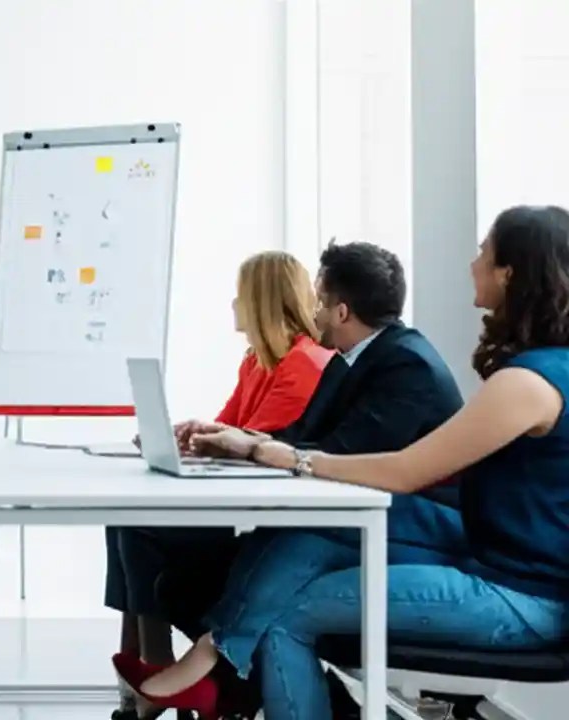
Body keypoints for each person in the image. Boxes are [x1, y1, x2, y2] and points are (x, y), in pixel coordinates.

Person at [117, 204, 569, 719]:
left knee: (286, 613)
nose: (472, 262)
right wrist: (259, 447)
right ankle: (212, 662)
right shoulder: (536, 373)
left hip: (520, 596)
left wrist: (282, 456)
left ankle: (211, 659)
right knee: (307, 538)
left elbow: (406, 471)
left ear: (510, 272)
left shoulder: (526, 383)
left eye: (484, 253)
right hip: (489, 560)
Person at [138, 241, 466, 719]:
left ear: (341, 309)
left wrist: (256, 449)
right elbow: (303, 439)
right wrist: (236, 439)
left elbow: (346, 456)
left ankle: (214, 653)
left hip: (422, 529)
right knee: (194, 576)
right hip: (370, 519)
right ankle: (229, 680)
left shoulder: (406, 363)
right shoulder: (350, 359)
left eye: (317, 300)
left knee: (298, 540)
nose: (310, 311)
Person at [103, 250, 333, 719]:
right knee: (125, 520)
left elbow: (251, 445)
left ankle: (156, 672)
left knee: (139, 528)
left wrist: (206, 441)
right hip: (242, 504)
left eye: (240, 294)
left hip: (266, 521)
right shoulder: (257, 361)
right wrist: (187, 434)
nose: (232, 304)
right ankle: (147, 670)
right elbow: (227, 427)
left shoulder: (304, 365)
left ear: (262, 301)